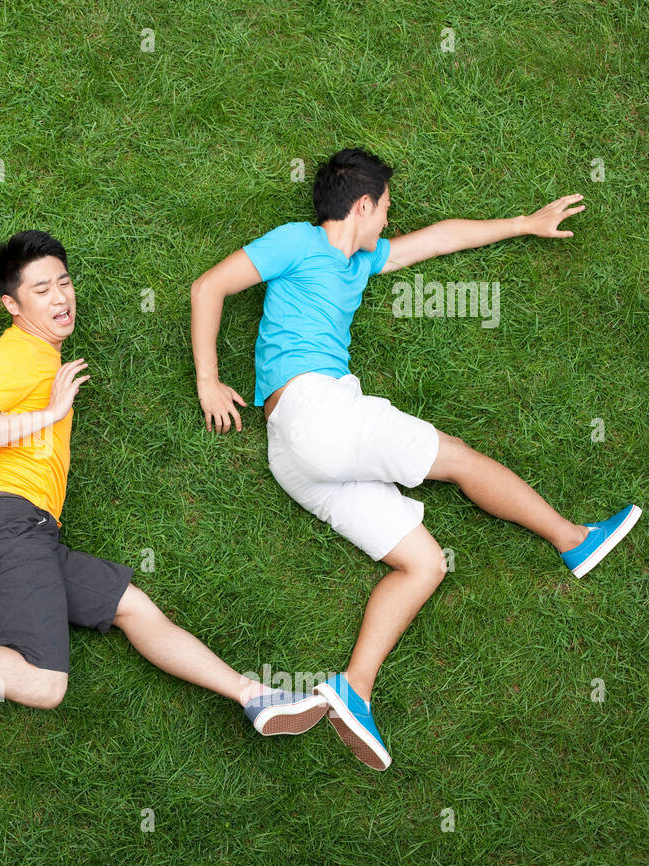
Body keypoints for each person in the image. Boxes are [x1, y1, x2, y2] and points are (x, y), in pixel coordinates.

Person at [189, 148, 639, 770]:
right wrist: (209, 380)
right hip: (319, 410)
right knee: (461, 460)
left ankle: (354, 689)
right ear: (363, 204)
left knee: (424, 563)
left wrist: (521, 224)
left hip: (293, 458)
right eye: (385, 209)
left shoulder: (361, 260)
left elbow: (435, 241)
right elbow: (209, 285)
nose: (388, 223)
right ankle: (574, 538)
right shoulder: (298, 242)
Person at [0, 230, 326, 737]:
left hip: (18, 531)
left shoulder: (16, 355)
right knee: (46, 683)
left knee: (132, 606)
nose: (60, 298)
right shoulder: (17, 354)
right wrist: (49, 412)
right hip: (3, 522)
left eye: (64, 283)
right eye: (42, 289)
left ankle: (252, 695)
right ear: (13, 304)